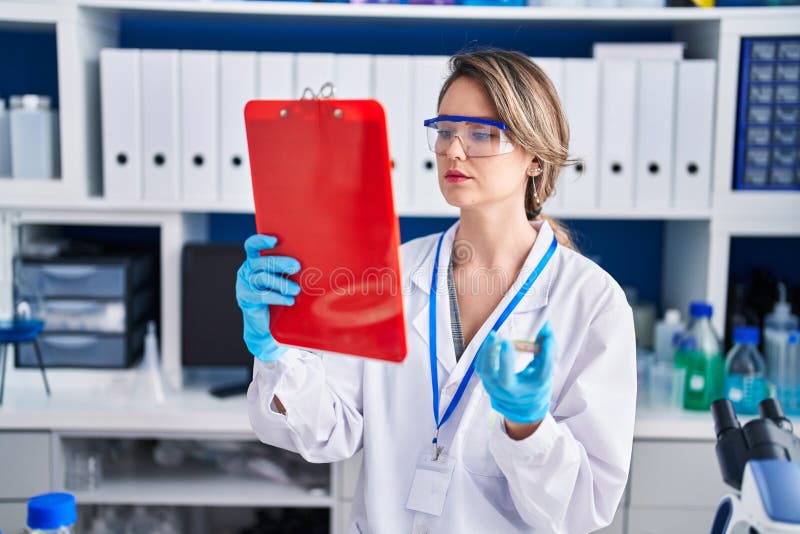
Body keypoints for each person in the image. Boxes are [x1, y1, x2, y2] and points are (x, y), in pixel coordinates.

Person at [237, 49, 636, 533]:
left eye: (482, 133)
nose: (454, 151)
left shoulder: (591, 302)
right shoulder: (389, 271)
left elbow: (583, 508)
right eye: (446, 131)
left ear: (535, 157)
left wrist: (527, 426)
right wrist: (277, 349)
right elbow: (328, 432)